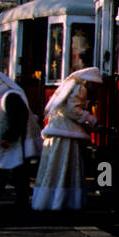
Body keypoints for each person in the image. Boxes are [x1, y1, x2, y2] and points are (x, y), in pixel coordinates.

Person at [31, 67, 102, 212]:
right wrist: (92, 121)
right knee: (66, 165)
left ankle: (49, 200)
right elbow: (72, 110)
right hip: (66, 133)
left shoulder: (71, 86)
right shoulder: (80, 88)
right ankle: (63, 201)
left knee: (53, 168)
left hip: (58, 130)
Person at [0, 69, 41, 213]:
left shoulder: (9, 96)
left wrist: (8, 137)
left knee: (18, 175)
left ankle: (21, 205)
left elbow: (19, 118)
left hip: (13, 144)